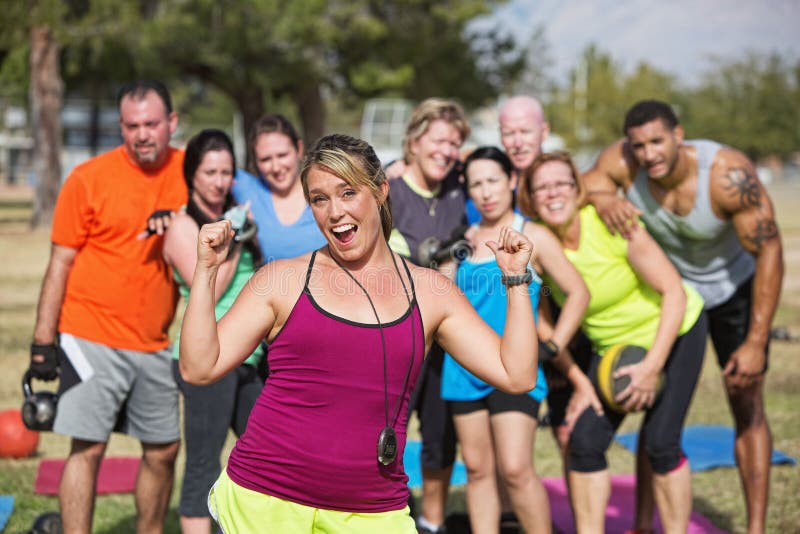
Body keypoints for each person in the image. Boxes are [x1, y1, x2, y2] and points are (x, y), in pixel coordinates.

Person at [178, 133, 540, 533]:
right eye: (319, 199)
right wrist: (206, 271)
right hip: (268, 499)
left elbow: (517, 374)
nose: (335, 212)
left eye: (348, 192)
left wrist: (516, 280)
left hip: (373, 511)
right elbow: (199, 368)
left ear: (381, 191)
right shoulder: (281, 280)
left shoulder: (432, 292)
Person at [582, 100, 784, 534]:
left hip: (733, 291)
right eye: (639, 146)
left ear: (679, 135)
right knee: (658, 415)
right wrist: (601, 198)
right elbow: (577, 187)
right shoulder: (621, 160)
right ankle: (640, 524)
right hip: (674, 293)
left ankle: (755, 528)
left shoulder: (727, 174)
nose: (648, 154)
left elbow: (769, 249)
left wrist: (755, 340)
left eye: (657, 141)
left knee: (745, 401)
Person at [519, 151, 707, 534]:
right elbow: (544, 323)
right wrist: (581, 382)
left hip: (675, 331)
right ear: (530, 198)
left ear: (577, 188)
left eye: (561, 184)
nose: (552, 194)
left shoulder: (611, 223)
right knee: (584, 441)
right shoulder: (535, 243)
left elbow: (674, 292)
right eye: (542, 188)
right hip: (612, 351)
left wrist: (651, 368)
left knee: (660, 443)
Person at [28, 80, 186, 533]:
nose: (142, 135)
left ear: (171, 123)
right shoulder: (88, 178)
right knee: (89, 446)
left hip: (155, 340)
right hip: (88, 332)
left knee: (163, 449)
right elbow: (60, 262)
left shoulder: (190, 170)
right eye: (132, 125)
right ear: (121, 126)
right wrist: (43, 342)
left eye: (152, 124)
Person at [440, 147, 589, 534]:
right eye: (476, 184)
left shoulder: (531, 234)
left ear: (510, 180)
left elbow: (578, 293)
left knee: (516, 469)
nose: (486, 191)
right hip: (462, 371)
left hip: (514, 367)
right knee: (476, 469)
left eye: (493, 180)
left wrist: (553, 347)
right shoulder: (460, 242)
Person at [162, 130, 264, 534]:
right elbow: (211, 286)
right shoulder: (182, 226)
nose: (219, 181)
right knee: (204, 461)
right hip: (206, 356)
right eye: (209, 172)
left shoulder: (238, 216)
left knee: (266, 451)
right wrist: (235, 237)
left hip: (248, 357)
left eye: (226, 172)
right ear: (192, 175)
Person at [387, 98, 470, 534]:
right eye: (438, 140)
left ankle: (432, 523)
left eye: (454, 143)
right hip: (395, 338)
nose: (447, 150)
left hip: (447, 343)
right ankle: (385, 518)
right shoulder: (388, 190)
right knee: (385, 439)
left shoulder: (462, 187)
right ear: (413, 142)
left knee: (440, 442)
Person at [232, 113, 326, 262]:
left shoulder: (325, 191)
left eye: (282, 155)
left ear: (299, 149)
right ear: (254, 161)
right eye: (265, 159)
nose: (276, 167)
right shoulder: (246, 188)